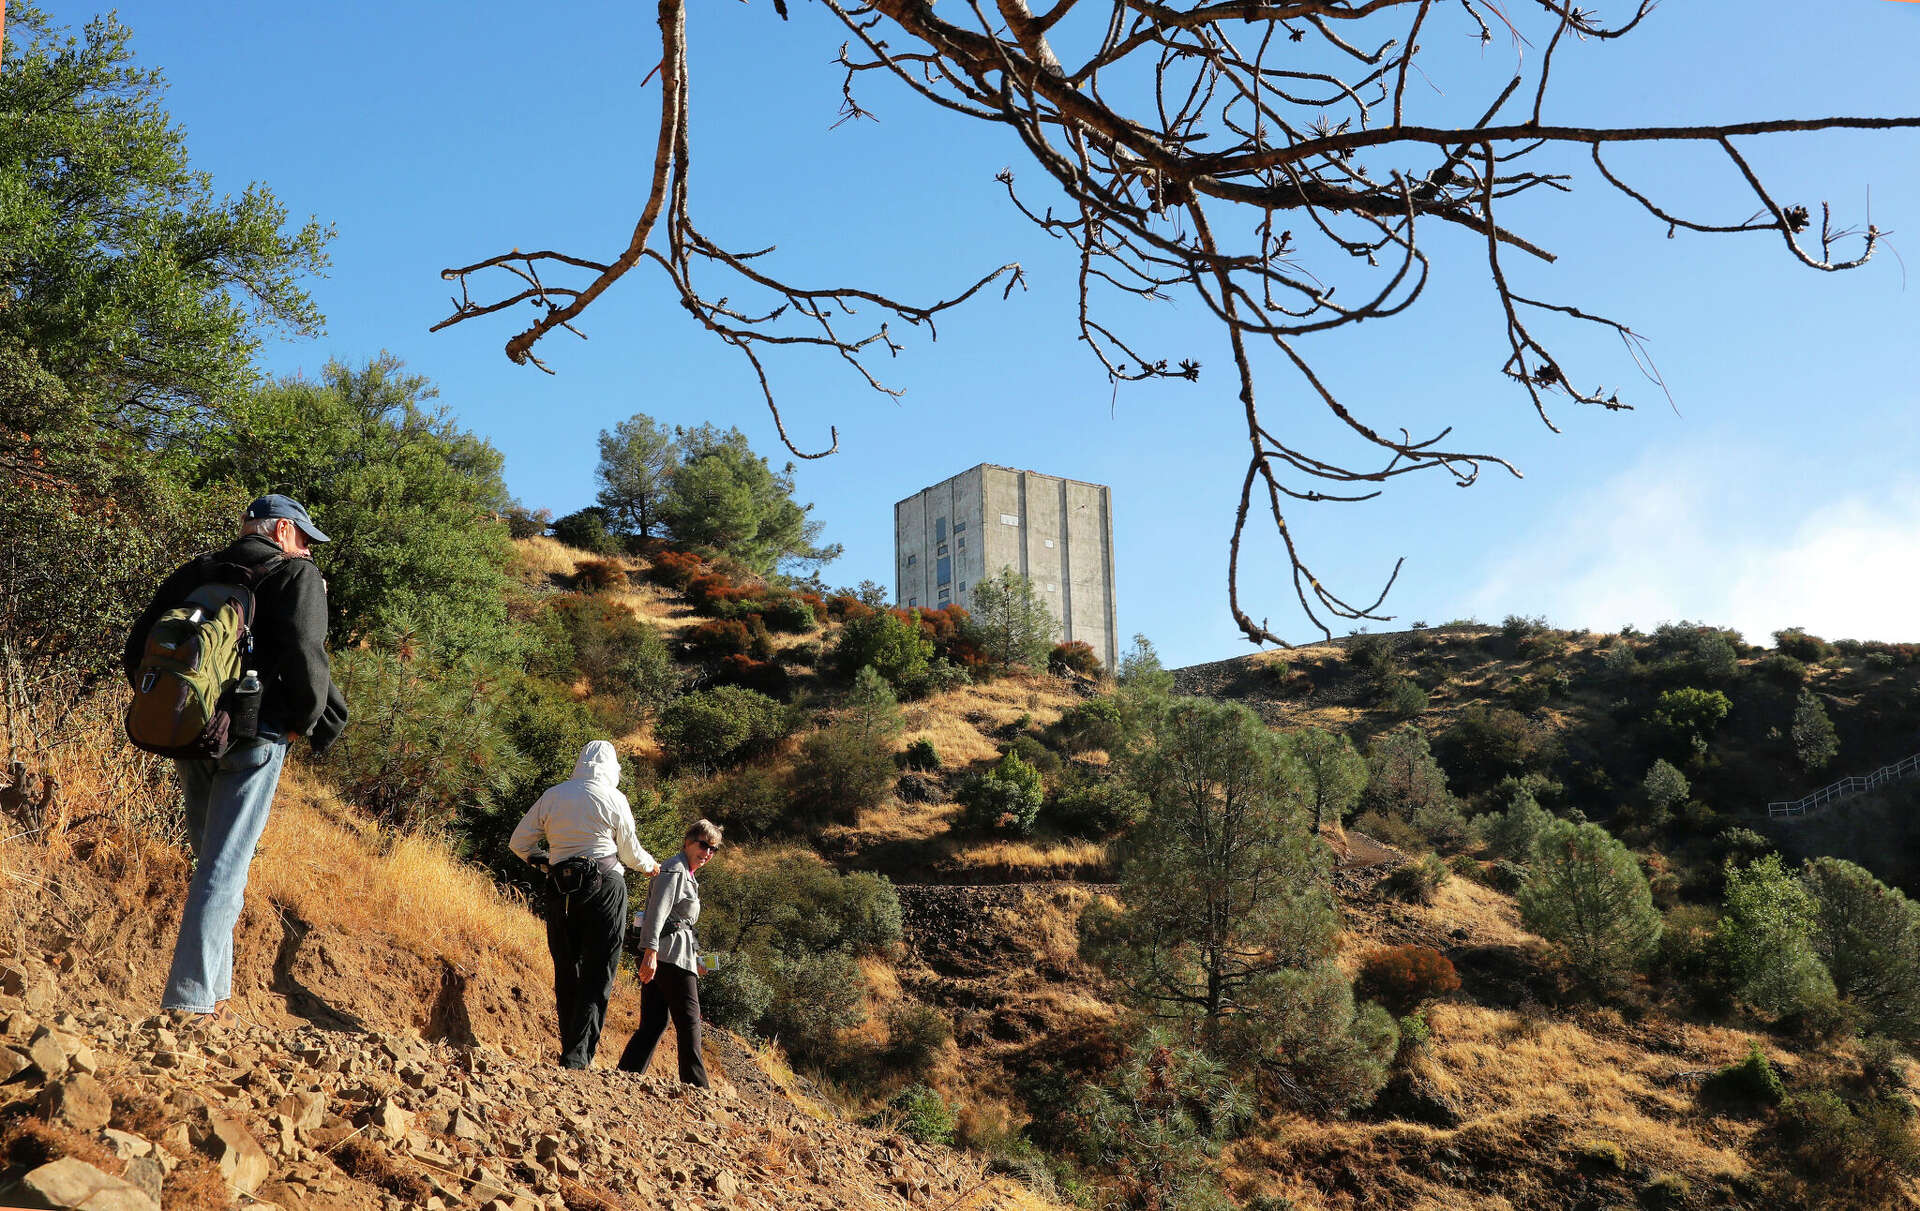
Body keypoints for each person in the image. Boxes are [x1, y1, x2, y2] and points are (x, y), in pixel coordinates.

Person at [124, 494, 348, 1024]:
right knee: (226, 866)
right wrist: (302, 720)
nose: (310, 551)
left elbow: (138, 647)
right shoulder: (296, 576)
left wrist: (174, 705)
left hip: (194, 731)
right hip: (258, 734)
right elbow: (306, 652)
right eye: (307, 540)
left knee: (212, 862)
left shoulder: (199, 571)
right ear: (284, 532)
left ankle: (215, 995)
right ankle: (191, 999)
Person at [510, 740, 659, 1069]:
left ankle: (569, 1050)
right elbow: (631, 853)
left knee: (567, 970)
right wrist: (651, 866)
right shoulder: (614, 798)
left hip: (560, 890)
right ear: (612, 768)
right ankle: (578, 1058)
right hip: (605, 887)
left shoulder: (554, 795)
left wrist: (548, 863)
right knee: (599, 972)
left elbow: (519, 842)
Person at [618, 818, 722, 1087]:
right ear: (688, 842)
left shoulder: (686, 872)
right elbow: (657, 912)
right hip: (668, 956)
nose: (708, 853)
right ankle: (698, 1088)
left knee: (654, 1022)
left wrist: (697, 957)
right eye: (703, 845)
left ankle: (625, 1077)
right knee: (689, 1021)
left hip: (675, 954)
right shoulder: (675, 870)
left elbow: (682, 924)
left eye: (713, 849)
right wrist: (649, 952)